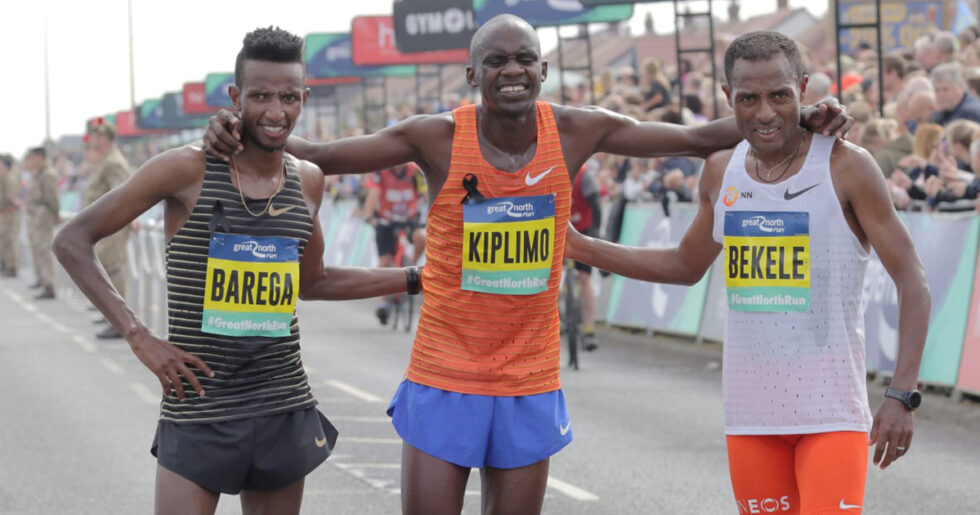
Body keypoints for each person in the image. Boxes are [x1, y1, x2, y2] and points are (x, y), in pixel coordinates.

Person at [204, 16, 852, 515]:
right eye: (495, 61)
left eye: (523, 59)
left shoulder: (576, 130)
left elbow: (694, 139)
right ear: (472, 74)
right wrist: (238, 128)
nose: (510, 70)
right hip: (445, 369)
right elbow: (321, 153)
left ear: (542, 70)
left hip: (530, 375)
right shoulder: (436, 137)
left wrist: (801, 118)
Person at [564, 31, 930, 514]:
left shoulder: (847, 166)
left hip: (830, 413)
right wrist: (576, 244)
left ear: (802, 90)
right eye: (748, 98)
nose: (765, 112)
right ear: (726, 98)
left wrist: (902, 394)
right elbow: (684, 265)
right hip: (750, 417)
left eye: (779, 95)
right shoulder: (721, 170)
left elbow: (913, 281)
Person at [54, 27, 414, 515]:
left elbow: (315, 282)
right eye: (260, 95)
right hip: (199, 402)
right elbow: (72, 239)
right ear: (235, 98)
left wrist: (416, 278)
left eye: (288, 96)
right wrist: (139, 336)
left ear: (304, 98)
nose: (275, 110)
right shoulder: (186, 169)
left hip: (280, 400)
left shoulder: (307, 180)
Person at [82, 120, 134, 339]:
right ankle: (112, 318)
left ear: (104, 138)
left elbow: (122, 193)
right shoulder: (106, 161)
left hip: (113, 225)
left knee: (113, 271)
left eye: (95, 136)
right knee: (108, 270)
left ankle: (120, 323)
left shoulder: (113, 162)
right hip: (106, 224)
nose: (92, 140)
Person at [358, 162, 426, 325]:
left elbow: (425, 193)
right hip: (386, 220)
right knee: (385, 260)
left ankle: (412, 265)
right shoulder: (381, 172)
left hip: (411, 219)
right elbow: (373, 194)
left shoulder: (414, 171)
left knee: (421, 238)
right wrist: (369, 215)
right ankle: (383, 302)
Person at [569, 162, 602, 351]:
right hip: (560, 229)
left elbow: (596, 205)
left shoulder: (584, 176)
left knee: (584, 278)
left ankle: (589, 328)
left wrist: (596, 233)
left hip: (583, 229)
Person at [24, 147, 59, 299]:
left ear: (39, 157)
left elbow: (52, 198)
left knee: (44, 250)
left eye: (32, 158)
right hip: (36, 216)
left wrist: (55, 214)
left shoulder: (48, 174)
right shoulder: (38, 175)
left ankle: (49, 285)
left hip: (43, 217)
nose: (30, 161)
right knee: (38, 249)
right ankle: (43, 280)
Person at [0, 154, 22, 278]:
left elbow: (11, 196)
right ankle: (8, 265)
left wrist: (15, 203)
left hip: (10, 213)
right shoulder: (4, 177)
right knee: (5, 241)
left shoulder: (9, 178)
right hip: (5, 213)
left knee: (11, 241)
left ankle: (12, 266)